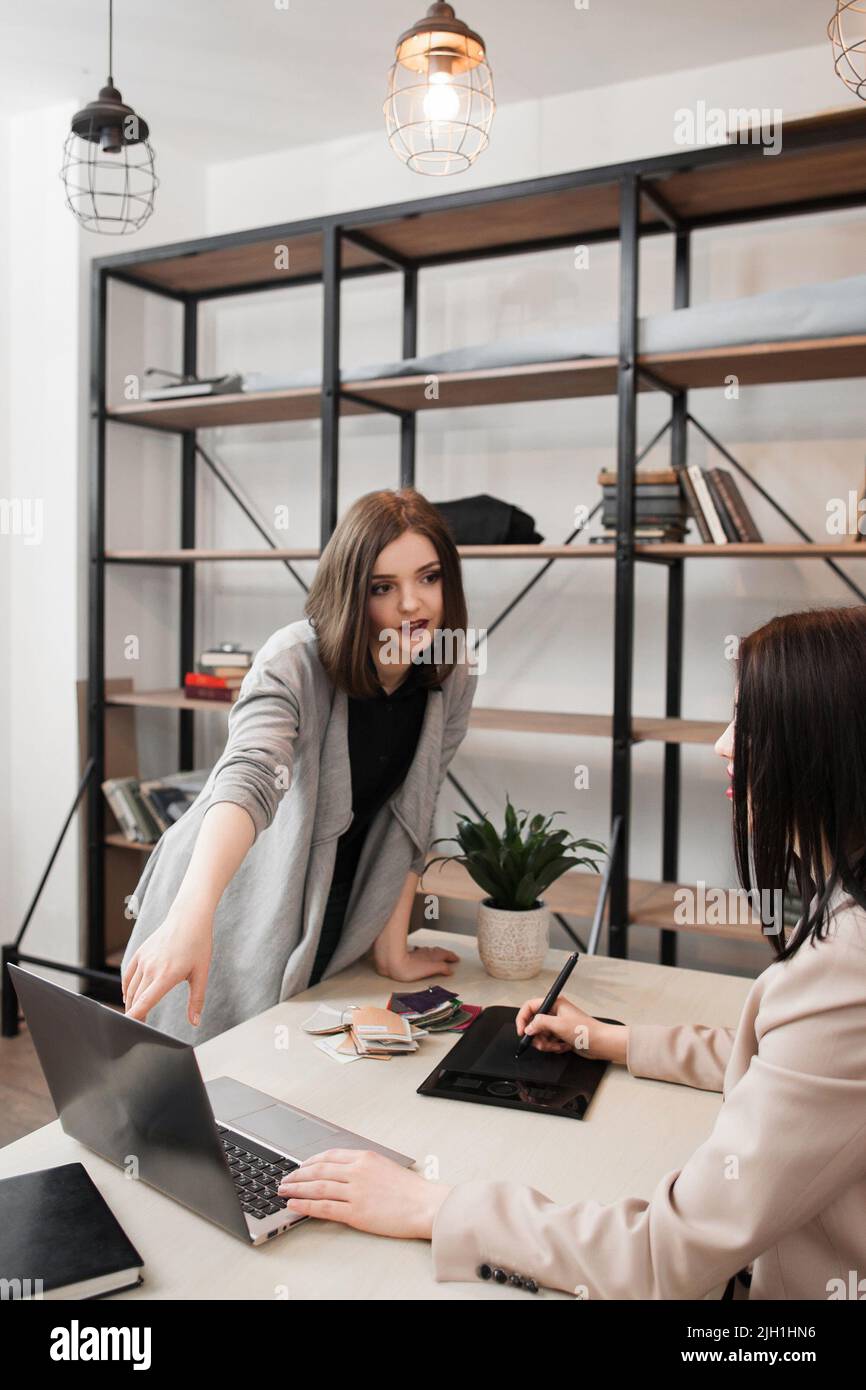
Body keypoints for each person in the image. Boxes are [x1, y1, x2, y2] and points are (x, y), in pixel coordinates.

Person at [275, 605, 866, 1300]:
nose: (724, 745)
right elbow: (791, 1066)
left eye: (750, 720)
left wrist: (431, 1206)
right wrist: (609, 1039)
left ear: (826, 744)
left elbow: (661, 1260)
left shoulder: (845, 973)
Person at [121, 488, 476, 1043]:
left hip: (338, 897)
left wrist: (392, 948)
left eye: (428, 578)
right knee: (201, 1080)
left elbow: (415, 807)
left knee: (295, 1083)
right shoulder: (293, 659)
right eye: (384, 587)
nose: (413, 605)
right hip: (228, 891)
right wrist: (192, 916)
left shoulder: (450, 670)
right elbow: (251, 774)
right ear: (351, 593)